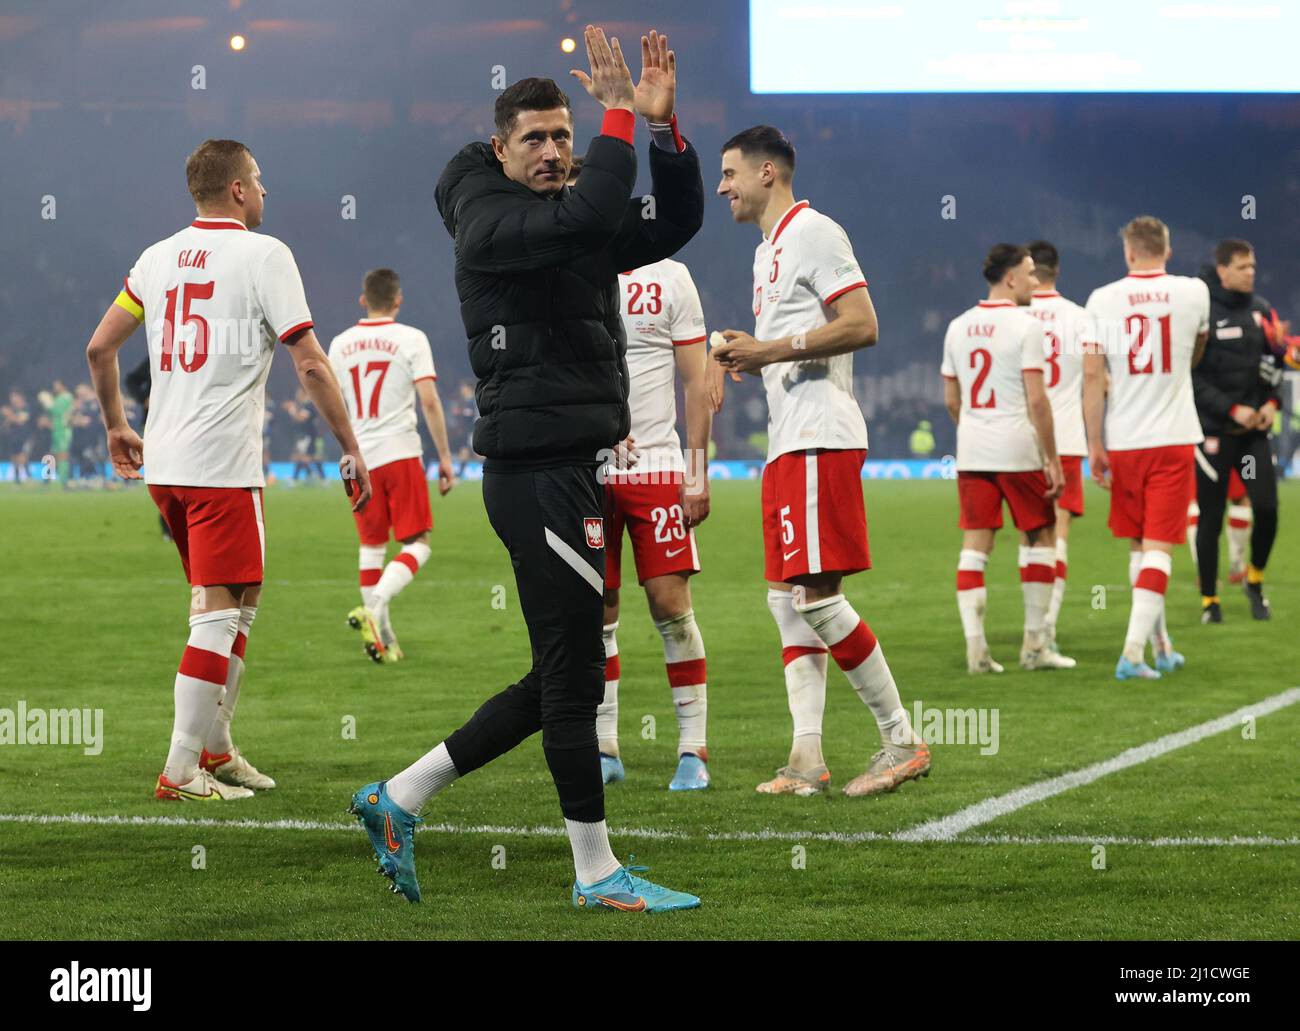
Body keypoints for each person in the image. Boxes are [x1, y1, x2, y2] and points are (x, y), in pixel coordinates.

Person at [349, 26, 705, 911]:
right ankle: (593, 872)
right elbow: (588, 214)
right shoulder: (493, 220)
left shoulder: (563, 218)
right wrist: (619, 117)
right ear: (500, 149)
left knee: (562, 676)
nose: (554, 153)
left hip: (566, 465)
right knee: (572, 680)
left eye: (563, 137)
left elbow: (676, 221)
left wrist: (660, 133)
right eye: (537, 140)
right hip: (536, 471)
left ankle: (399, 797)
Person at [85, 137, 370, 800]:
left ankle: (215, 748)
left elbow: (100, 348)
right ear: (238, 189)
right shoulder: (265, 254)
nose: (266, 191)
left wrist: (116, 426)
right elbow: (310, 361)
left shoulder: (155, 260)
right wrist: (350, 443)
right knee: (217, 612)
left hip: (167, 463)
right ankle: (181, 767)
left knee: (240, 600)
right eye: (260, 180)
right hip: (220, 465)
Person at [711, 124, 929, 799]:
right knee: (786, 601)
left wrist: (769, 352)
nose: (722, 187)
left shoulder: (816, 231)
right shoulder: (765, 253)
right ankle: (806, 758)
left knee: (817, 597)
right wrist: (750, 353)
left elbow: (863, 323)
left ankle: (901, 739)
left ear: (767, 172)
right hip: (787, 439)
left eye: (729, 173)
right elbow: (792, 342)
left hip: (819, 436)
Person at [568, 159, 713, 789]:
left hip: (657, 466)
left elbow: (699, 379)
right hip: (588, 468)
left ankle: (694, 749)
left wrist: (698, 471)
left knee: (669, 604)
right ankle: (604, 748)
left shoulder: (670, 275)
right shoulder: (567, 265)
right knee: (596, 608)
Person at [1083, 216, 1208, 680]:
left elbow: (1093, 377)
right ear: (1167, 252)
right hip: (1172, 437)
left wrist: (1095, 443)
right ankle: (1132, 654)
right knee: (1159, 550)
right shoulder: (1194, 291)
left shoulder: (1102, 299)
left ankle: (1162, 645)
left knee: (1140, 548)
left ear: (1130, 253)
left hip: (1125, 440)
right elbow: (1197, 349)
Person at [942, 244, 1073, 674]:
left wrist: (974, 428)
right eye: (1031, 273)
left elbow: (951, 399)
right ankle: (1034, 647)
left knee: (975, 545)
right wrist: (1051, 458)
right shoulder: (1026, 325)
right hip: (1018, 447)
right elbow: (1038, 400)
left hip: (973, 449)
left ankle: (975, 650)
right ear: (1012, 278)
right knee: (1040, 537)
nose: (1036, 282)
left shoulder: (958, 325)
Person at [330, 267, 456, 662]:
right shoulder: (411, 339)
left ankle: (382, 639)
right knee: (418, 544)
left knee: (371, 546)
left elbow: (331, 401)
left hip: (357, 457)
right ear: (398, 300)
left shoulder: (339, 344)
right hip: (399, 452)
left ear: (363, 300)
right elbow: (430, 401)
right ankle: (376, 607)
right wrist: (446, 457)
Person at [1191, 239, 1283, 622]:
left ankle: (1255, 580)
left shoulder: (1262, 312)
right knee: (1211, 517)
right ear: (1223, 270)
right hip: (1214, 432)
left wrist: (1270, 404)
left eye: (1253, 266)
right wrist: (1231, 408)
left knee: (1267, 509)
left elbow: (1277, 364)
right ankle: (1210, 601)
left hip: (1252, 434)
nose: (1251, 273)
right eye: (1243, 267)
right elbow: (1191, 377)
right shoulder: (1202, 313)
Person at [1026, 239, 1093, 654]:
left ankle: (1034, 627)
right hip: (1065, 436)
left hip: (1023, 438)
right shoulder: (1081, 317)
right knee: (1059, 533)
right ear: (1057, 271)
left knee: (1031, 536)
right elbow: (1096, 380)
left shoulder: (1014, 315)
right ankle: (1046, 627)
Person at [2, 389, 33, 483]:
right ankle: (17, 479)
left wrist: (9, 415)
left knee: (23, 456)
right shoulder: (12, 408)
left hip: (24, 436)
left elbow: (21, 421)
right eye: (11, 397)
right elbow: (6, 425)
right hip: (13, 436)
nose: (13, 399)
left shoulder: (26, 407)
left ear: (20, 397)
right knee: (14, 457)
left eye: (15, 396)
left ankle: (29, 477)